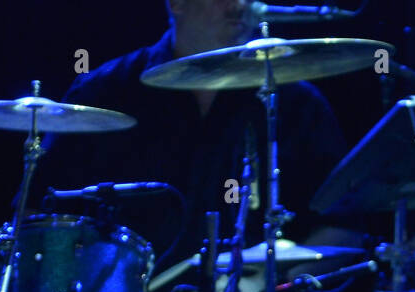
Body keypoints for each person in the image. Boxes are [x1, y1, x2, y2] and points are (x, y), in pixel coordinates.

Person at [33, 0, 351, 276]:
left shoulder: (296, 103)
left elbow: (343, 225)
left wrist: (273, 289)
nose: (239, 5)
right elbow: (42, 217)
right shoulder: (103, 93)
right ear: (177, 3)